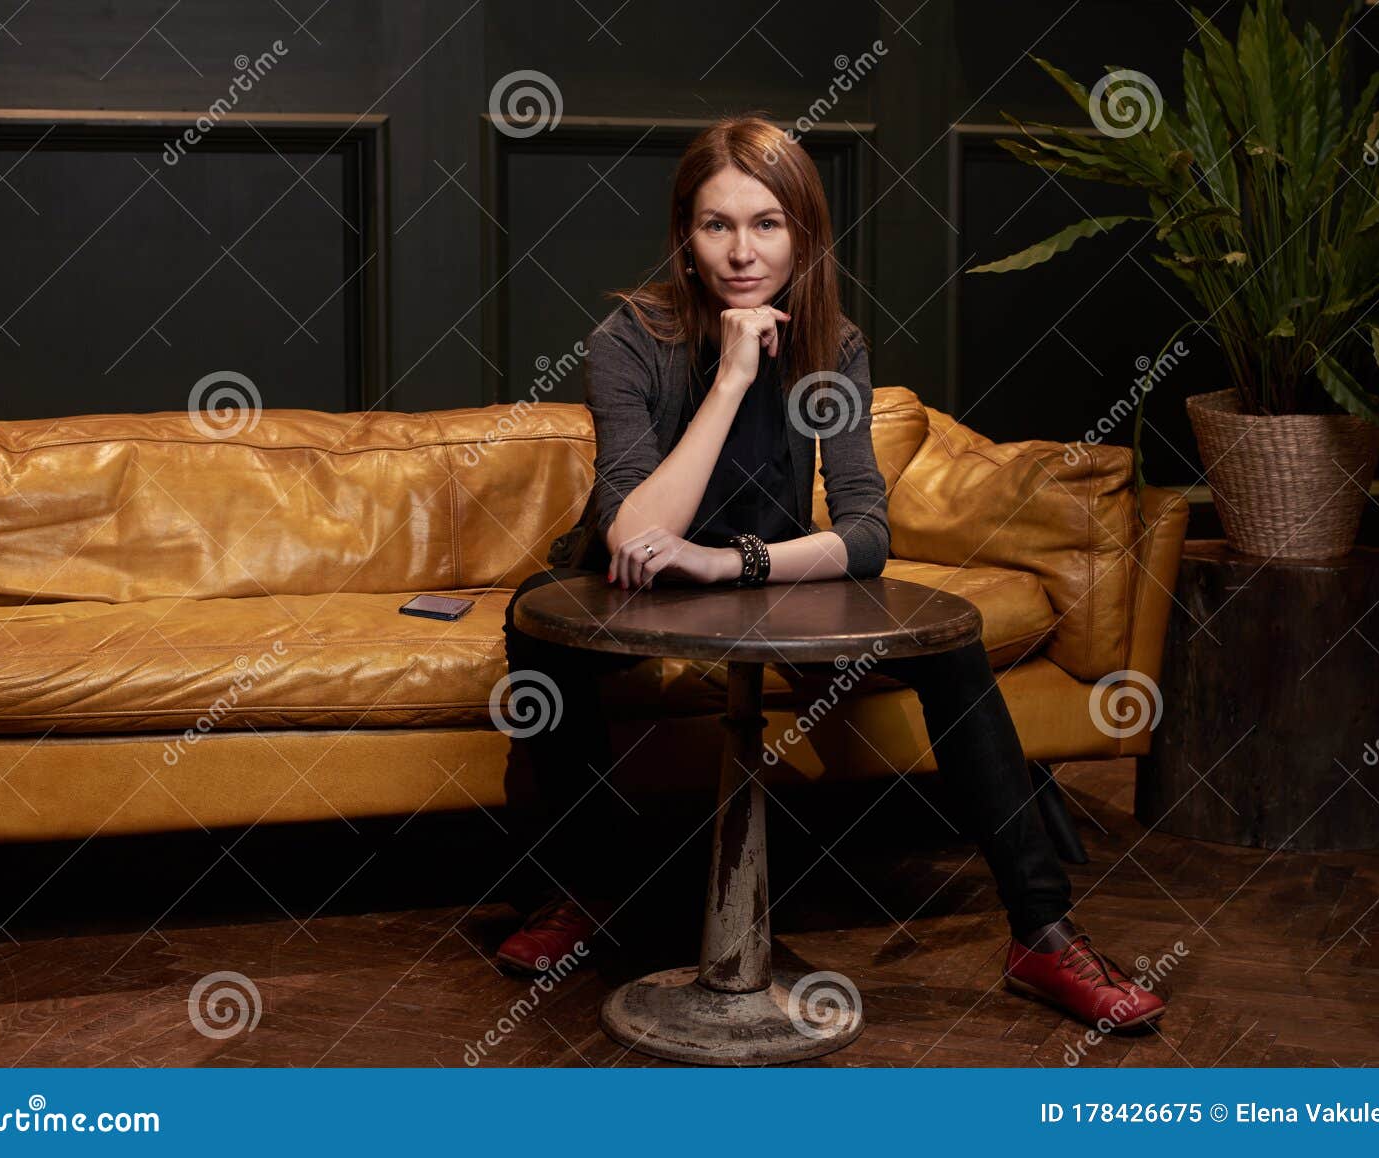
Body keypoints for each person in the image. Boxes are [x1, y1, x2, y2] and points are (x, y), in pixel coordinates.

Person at [496, 115, 1165, 1032]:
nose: (742, 251)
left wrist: (735, 562)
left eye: (767, 224)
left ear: (803, 233)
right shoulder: (628, 339)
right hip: (634, 590)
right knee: (534, 624)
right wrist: (730, 377)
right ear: (684, 239)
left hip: (772, 581)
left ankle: (1042, 935)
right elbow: (633, 533)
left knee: (953, 643)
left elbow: (864, 531)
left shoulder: (832, 346)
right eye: (716, 225)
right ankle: (583, 891)